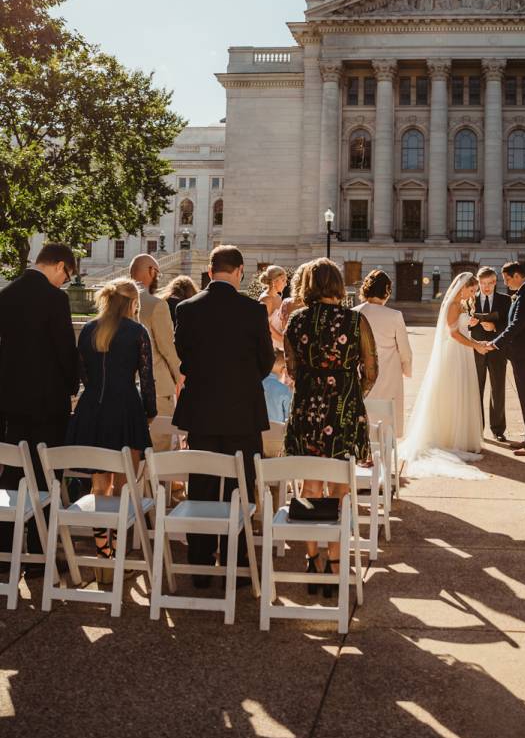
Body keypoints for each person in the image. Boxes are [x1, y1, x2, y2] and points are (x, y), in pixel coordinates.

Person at [173, 245, 274, 587]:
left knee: (201, 486)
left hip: (201, 409)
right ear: (240, 271)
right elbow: (265, 360)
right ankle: (237, 562)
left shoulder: (187, 308)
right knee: (241, 486)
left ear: (210, 270)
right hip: (242, 411)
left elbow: (184, 355)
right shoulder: (253, 310)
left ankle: (200, 563)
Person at [283, 258, 378, 593]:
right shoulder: (356, 321)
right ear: (337, 284)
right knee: (341, 488)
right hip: (344, 410)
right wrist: (351, 393)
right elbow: (371, 370)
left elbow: (292, 368)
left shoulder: (296, 320)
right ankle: (336, 561)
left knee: (309, 485)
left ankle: (312, 559)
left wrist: (315, 382)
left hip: (307, 408)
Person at [67, 279, 156, 560]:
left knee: (99, 487)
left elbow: (83, 373)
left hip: (92, 407)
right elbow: (147, 378)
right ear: (132, 303)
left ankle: (103, 550)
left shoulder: (89, 330)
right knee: (124, 486)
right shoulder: (137, 331)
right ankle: (116, 550)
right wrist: (150, 411)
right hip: (126, 408)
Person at [0, 242, 79, 561]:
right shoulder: (55, 299)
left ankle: (5, 548)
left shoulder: (6, 294)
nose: (65, 282)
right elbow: (65, 349)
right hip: (49, 401)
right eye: (67, 276)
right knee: (47, 475)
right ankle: (39, 550)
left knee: (12, 473)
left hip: (10, 400)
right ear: (60, 265)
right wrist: (73, 385)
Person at [400, 272, 490, 479]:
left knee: (462, 391)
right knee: (453, 392)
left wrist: (470, 325)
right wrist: (476, 345)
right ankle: (449, 438)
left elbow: (460, 327)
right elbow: (453, 334)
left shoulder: (461, 305)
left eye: (474, 291)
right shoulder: (452, 305)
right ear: (462, 287)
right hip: (454, 354)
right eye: (471, 290)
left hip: (463, 352)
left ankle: (460, 437)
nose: (473, 294)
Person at [486, 261, 525, 457]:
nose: (505, 283)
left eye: (507, 279)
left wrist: (495, 343)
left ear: (518, 276)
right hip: (521, 353)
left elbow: (517, 325)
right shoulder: (524, 293)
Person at [129, 254, 182, 448]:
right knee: (158, 451)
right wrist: (180, 377)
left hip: (124, 387)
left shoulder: (114, 301)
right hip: (157, 388)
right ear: (151, 271)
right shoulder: (156, 304)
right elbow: (167, 348)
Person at [355, 269, 413, 429]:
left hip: (362, 372)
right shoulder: (394, 315)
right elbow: (405, 349)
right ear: (386, 291)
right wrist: (407, 369)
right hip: (389, 373)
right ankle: (387, 440)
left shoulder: (354, 313)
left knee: (365, 411)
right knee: (388, 417)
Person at [468, 265, 511, 442]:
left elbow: (510, 325)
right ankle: (477, 428)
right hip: (475, 350)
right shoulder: (470, 300)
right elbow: (459, 325)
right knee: (475, 390)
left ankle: (498, 429)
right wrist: (469, 324)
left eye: (490, 283)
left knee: (498, 390)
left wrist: (494, 327)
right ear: (478, 282)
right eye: (483, 283)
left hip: (497, 351)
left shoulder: (505, 300)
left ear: (495, 282)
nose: (486, 287)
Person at [259, 265, 288, 351]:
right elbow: (264, 326)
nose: (286, 284)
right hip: (270, 346)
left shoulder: (278, 297)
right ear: (274, 281)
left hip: (280, 344)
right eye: (283, 280)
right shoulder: (266, 299)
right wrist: (282, 340)